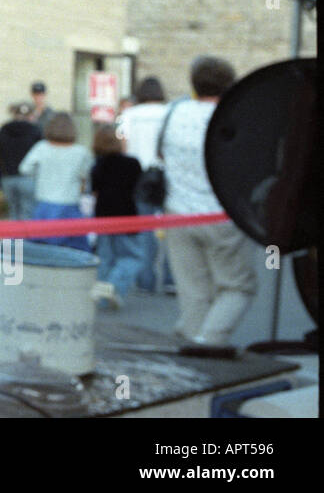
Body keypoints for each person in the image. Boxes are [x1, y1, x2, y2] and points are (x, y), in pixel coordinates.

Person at [160, 56, 258, 345]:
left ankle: (193, 344)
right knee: (237, 286)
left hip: (178, 212)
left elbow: (162, 154)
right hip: (222, 214)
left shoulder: (174, 113)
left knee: (193, 290)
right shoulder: (235, 118)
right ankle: (211, 341)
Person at [118, 75, 175, 293]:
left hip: (138, 176)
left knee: (144, 229)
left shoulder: (128, 114)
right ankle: (171, 279)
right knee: (171, 227)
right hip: (164, 174)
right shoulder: (170, 113)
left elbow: (123, 145)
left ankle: (145, 280)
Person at [18, 112, 93, 251]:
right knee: (74, 250)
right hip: (69, 205)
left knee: (41, 249)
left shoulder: (42, 148)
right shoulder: (81, 152)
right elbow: (88, 175)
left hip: (44, 205)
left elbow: (24, 169)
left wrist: (40, 175)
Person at [90, 126, 143, 310]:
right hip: (127, 214)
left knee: (105, 257)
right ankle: (113, 286)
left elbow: (95, 191)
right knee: (132, 256)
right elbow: (137, 188)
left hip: (103, 215)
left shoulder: (97, 165)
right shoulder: (132, 163)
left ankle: (102, 295)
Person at [0, 101, 41, 219]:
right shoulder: (36, 131)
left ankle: (14, 238)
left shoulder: (3, 130)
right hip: (28, 179)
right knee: (28, 214)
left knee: (12, 214)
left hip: (7, 178)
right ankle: (25, 238)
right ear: (30, 115)